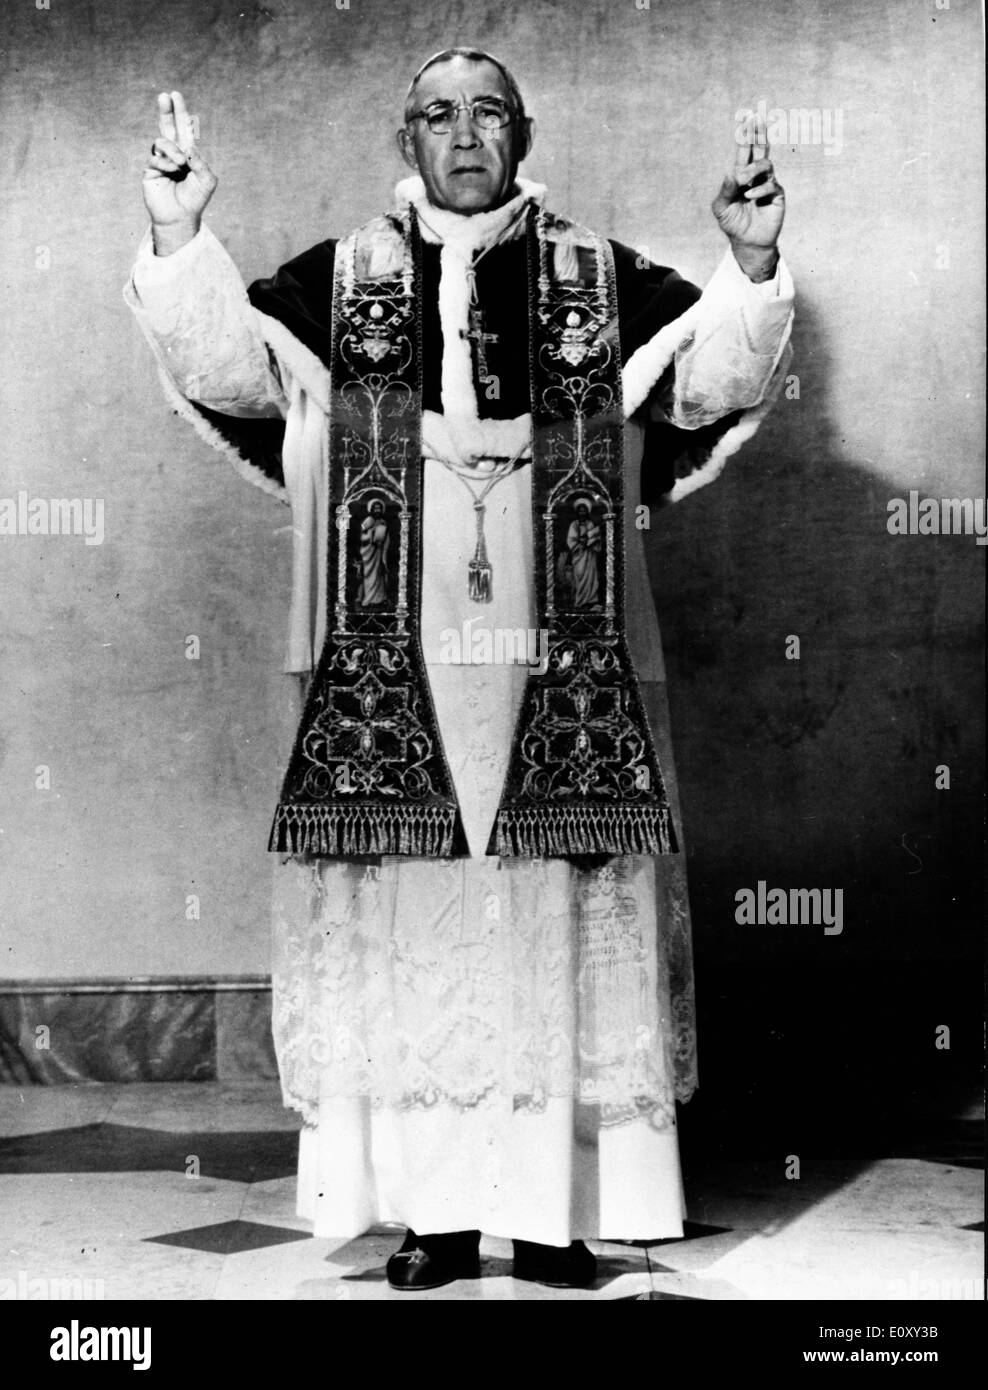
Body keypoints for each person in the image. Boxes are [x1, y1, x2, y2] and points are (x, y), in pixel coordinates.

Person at [125, 48, 794, 1291]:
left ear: (524, 132)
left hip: (561, 642)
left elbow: (703, 388)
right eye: (439, 114)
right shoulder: (340, 278)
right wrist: (176, 241)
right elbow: (228, 369)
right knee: (410, 911)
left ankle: (555, 1217)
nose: (465, 134)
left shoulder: (600, 276)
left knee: (560, 902)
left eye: (488, 112)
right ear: (408, 135)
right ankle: (430, 1216)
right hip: (398, 647)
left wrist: (749, 269)